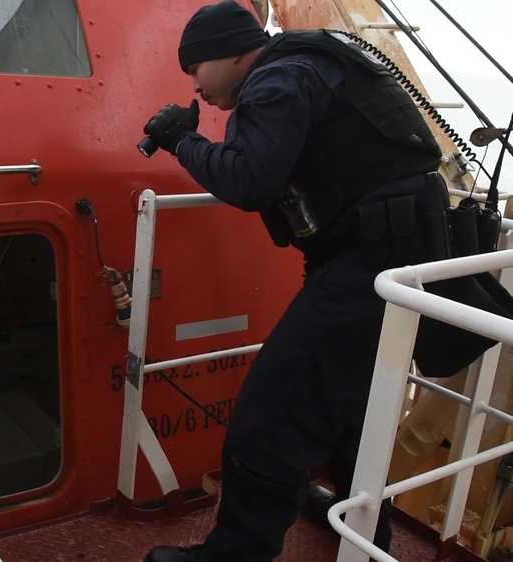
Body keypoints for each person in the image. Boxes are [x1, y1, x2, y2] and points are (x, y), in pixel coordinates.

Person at [138, 1, 453, 560]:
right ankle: (361, 526)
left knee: (272, 414)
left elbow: (250, 180)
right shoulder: (308, 66)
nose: (195, 84)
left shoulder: (278, 80)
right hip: (395, 260)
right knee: (354, 405)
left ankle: (236, 552)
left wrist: (182, 141)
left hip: (366, 267)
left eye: (196, 67)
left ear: (235, 50)